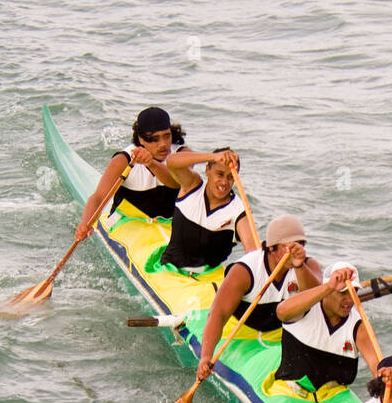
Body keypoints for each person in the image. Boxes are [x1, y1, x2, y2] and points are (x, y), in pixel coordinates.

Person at [195, 215, 322, 381]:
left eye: (300, 245)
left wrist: (300, 267)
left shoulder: (308, 266)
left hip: (279, 328)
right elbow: (219, 314)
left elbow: (316, 297)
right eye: (288, 246)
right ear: (271, 248)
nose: (295, 251)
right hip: (243, 325)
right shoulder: (244, 271)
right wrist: (206, 356)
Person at [74, 106, 185, 240]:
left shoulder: (182, 154)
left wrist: (151, 163)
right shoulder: (123, 160)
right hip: (128, 222)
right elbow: (99, 197)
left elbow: (175, 182)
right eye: (155, 139)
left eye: (167, 136)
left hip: (169, 223)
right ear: (141, 139)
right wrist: (85, 223)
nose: (163, 144)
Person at [271, 262, 379, 398]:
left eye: (353, 292)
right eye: (343, 292)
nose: (349, 300)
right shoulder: (306, 309)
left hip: (335, 398)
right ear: (327, 291)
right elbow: (281, 312)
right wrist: (328, 286)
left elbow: (377, 367)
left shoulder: (359, 326)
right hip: (291, 391)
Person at [164, 144, 254, 270]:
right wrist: (213, 157)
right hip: (169, 269)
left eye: (230, 177)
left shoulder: (238, 210)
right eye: (220, 174)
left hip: (208, 278)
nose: (224, 182)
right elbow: (171, 162)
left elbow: (253, 253)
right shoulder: (192, 185)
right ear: (207, 170)